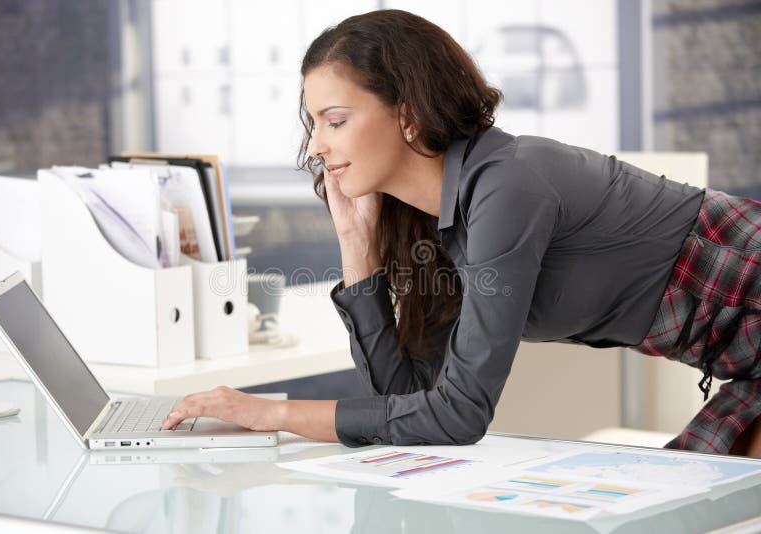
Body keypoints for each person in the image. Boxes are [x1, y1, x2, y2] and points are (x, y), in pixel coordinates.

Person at [163, 9, 761, 457]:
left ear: (408, 114)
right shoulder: (440, 223)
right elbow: (405, 401)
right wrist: (355, 247)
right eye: (312, 123)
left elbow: (457, 416)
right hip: (748, 359)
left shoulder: (507, 186)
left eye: (336, 120)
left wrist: (271, 413)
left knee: (688, 505)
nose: (317, 146)